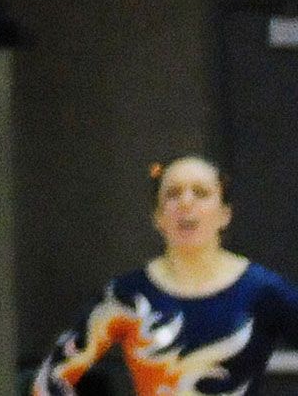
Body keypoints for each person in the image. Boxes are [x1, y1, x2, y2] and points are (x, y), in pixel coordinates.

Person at [32, 155, 298, 396]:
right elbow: (49, 381)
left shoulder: (262, 291)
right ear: (158, 217)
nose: (186, 203)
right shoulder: (125, 296)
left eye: (201, 193)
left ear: (225, 214)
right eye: (172, 194)